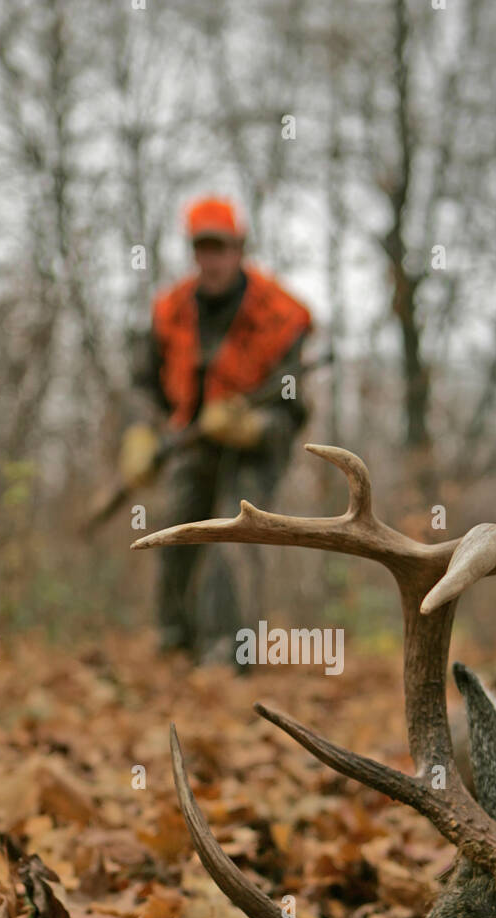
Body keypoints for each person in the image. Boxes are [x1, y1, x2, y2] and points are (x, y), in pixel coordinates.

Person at [125, 196, 313, 664]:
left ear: (239, 248)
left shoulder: (280, 313)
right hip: (191, 439)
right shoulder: (169, 309)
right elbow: (143, 384)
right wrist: (142, 433)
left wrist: (254, 426)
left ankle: (231, 655)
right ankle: (176, 642)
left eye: (220, 248)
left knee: (234, 532)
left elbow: (293, 403)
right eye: (202, 248)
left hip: (256, 448)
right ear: (192, 252)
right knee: (177, 529)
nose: (211, 260)